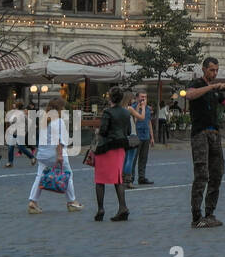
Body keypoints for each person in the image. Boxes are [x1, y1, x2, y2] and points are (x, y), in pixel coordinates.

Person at [187, 57, 225, 228]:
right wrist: (212, 87)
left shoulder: (217, 91)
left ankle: (210, 213)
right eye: (212, 70)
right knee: (201, 174)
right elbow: (190, 95)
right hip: (200, 133)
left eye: (216, 70)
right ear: (204, 69)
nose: (214, 73)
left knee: (217, 173)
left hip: (214, 133)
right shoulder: (197, 83)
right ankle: (196, 216)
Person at [27, 97, 83, 214]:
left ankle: (33, 201)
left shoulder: (44, 119)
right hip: (54, 153)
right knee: (68, 175)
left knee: (39, 176)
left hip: (43, 153)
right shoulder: (59, 121)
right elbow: (59, 140)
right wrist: (60, 155)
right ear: (60, 108)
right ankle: (71, 202)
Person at [92, 86, 131, 222]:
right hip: (120, 147)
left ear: (110, 97)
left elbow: (103, 131)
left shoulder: (108, 112)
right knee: (118, 178)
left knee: (100, 179)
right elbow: (128, 131)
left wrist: (97, 132)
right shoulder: (126, 113)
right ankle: (123, 207)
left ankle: (101, 209)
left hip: (106, 147)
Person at [125, 91, 154, 185]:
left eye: (145, 97)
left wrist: (152, 137)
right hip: (136, 136)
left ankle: (142, 177)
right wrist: (139, 108)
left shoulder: (148, 109)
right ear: (137, 98)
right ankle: (131, 178)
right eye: (142, 97)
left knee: (143, 158)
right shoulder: (132, 108)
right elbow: (135, 120)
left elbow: (149, 122)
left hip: (145, 136)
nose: (144, 99)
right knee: (133, 158)